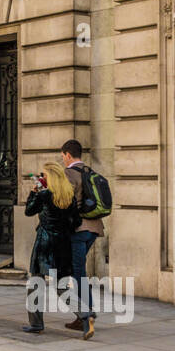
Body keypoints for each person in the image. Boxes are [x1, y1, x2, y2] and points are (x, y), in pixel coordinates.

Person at [20, 162, 82, 336]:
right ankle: (85, 314)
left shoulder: (45, 195)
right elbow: (76, 222)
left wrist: (33, 193)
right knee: (61, 285)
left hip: (45, 245)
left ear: (51, 178)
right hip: (63, 245)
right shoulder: (69, 196)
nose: (43, 178)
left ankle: (36, 324)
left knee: (35, 284)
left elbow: (29, 211)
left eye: (45, 176)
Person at [61, 139, 106, 339]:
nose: (63, 160)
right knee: (76, 271)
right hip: (94, 228)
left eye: (63, 156)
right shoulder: (89, 172)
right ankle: (83, 315)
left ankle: (87, 317)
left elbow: (64, 202)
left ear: (68, 155)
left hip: (78, 229)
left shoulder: (69, 173)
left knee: (78, 273)